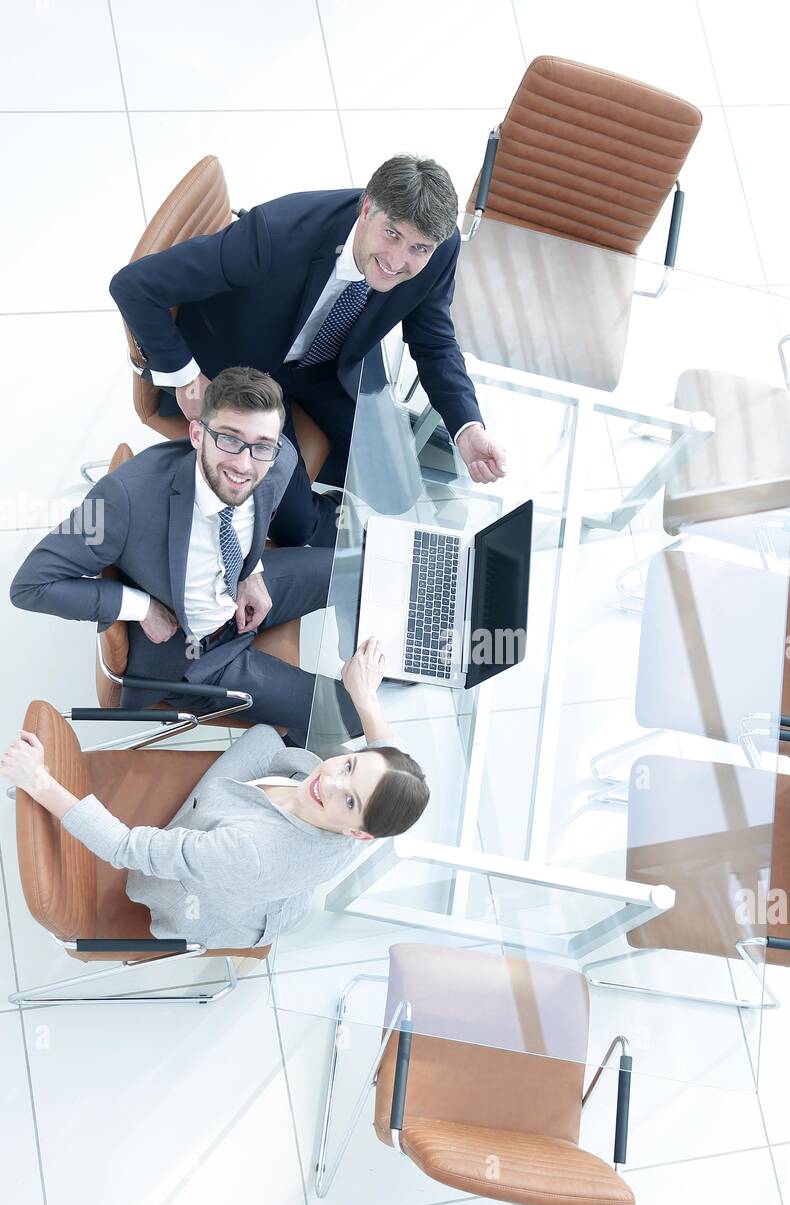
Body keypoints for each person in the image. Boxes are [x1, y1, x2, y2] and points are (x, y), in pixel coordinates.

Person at [109, 154, 507, 548]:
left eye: (419, 249)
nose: (397, 262)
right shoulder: (274, 234)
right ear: (367, 208)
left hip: (327, 365)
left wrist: (468, 428)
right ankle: (336, 539)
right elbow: (133, 286)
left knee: (396, 490)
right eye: (392, 234)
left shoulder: (440, 248)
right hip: (241, 372)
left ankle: (308, 496)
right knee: (298, 526)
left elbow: (434, 341)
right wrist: (185, 377)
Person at [0, 640, 426, 951]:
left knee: (268, 735)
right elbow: (388, 758)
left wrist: (38, 781)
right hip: (265, 871)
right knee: (267, 735)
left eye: (349, 800)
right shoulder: (376, 810)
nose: (330, 781)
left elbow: (125, 846)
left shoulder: (249, 851)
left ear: (359, 834)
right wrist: (365, 697)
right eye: (349, 765)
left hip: (202, 886)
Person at [10, 366, 354, 746]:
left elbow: (250, 515)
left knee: (356, 571)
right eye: (228, 439)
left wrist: (251, 570)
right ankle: (296, 746)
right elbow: (30, 585)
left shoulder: (278, 460)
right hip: (190, 653)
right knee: (345, 711)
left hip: (237, 591)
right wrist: (141, 607)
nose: (244, 464)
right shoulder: (122, 500)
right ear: (196, 433)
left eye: (261, 446)